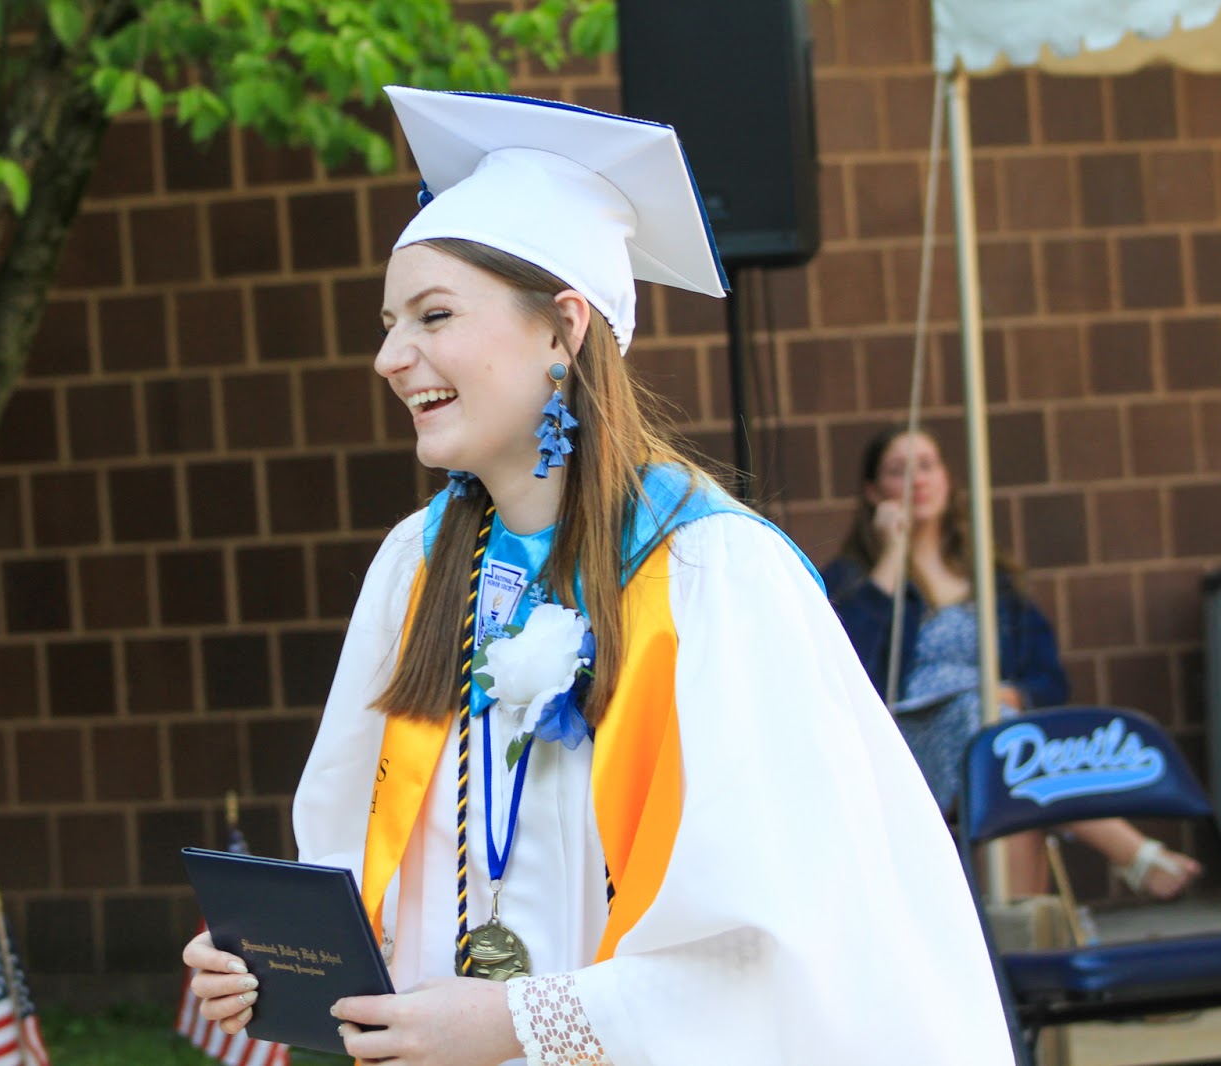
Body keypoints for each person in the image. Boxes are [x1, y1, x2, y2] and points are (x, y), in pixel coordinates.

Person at [184, 88, 1014, 1065]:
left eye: (433, 314)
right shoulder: (415, 568)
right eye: (388, 321)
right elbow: (351, 865)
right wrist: (271, 959)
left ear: (562, 328)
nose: (389, 356)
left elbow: (779, 935)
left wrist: (514, 1022)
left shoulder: (712, 575)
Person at [820, 423, 1201, 900]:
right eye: (900, 470)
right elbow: (848, 671)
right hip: (906, 742)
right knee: (994, 733)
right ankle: (1134, 853)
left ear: (947, 479)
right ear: (875, 492)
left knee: (1003, 753)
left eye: (928, 466)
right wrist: (892, 558)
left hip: (997, 730)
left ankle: (1016, 945)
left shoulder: (992, 580)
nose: (918, 479)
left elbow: (1049, 679)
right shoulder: (852, 580)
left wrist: (1013, 695)